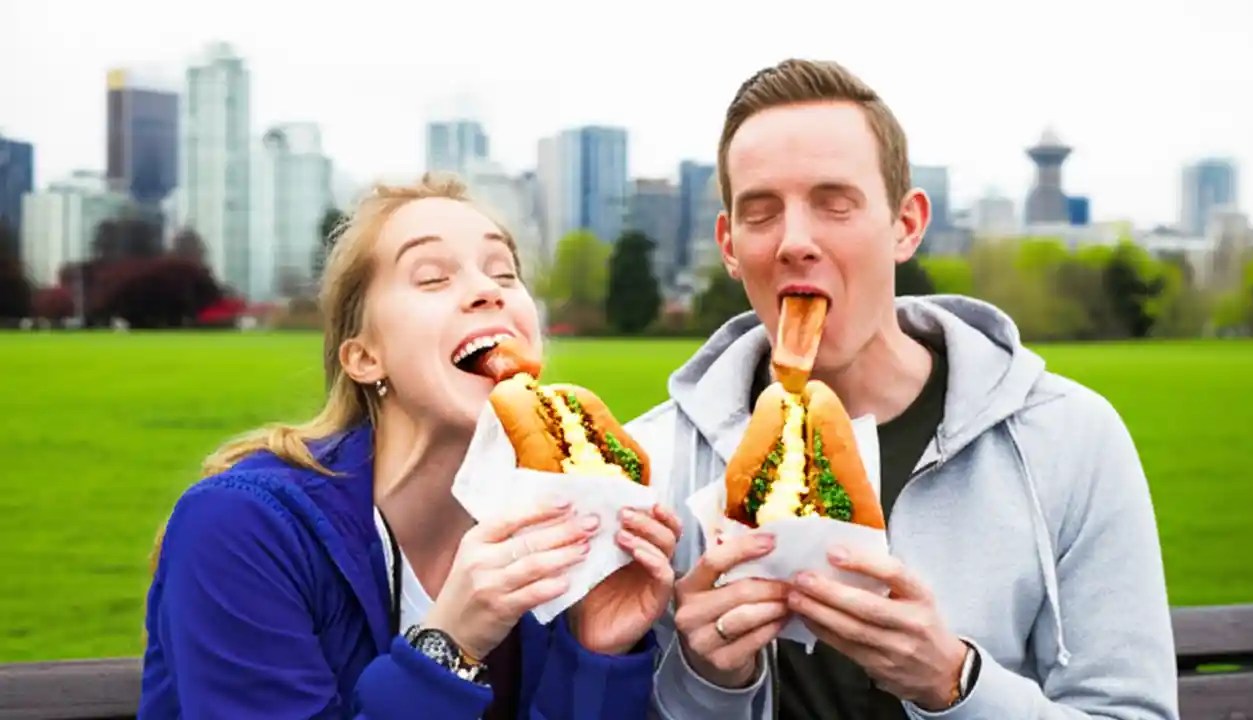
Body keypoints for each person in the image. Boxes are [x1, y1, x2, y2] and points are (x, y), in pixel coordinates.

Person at [631, 59, 1179, 719]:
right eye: (761, 212)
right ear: (728, 244)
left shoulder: (1070, 438)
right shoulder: (649, 466)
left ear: (907, 225)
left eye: (835, 204)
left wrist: (954, 683)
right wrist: (706, 681)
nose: (794, 242)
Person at [138, 174, 682, 719]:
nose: (489, 291)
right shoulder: (241, 529)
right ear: (364, 358)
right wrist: (450, 644)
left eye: (504, 273)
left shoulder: (556, 536)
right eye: (432, 277)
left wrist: (595, 653)